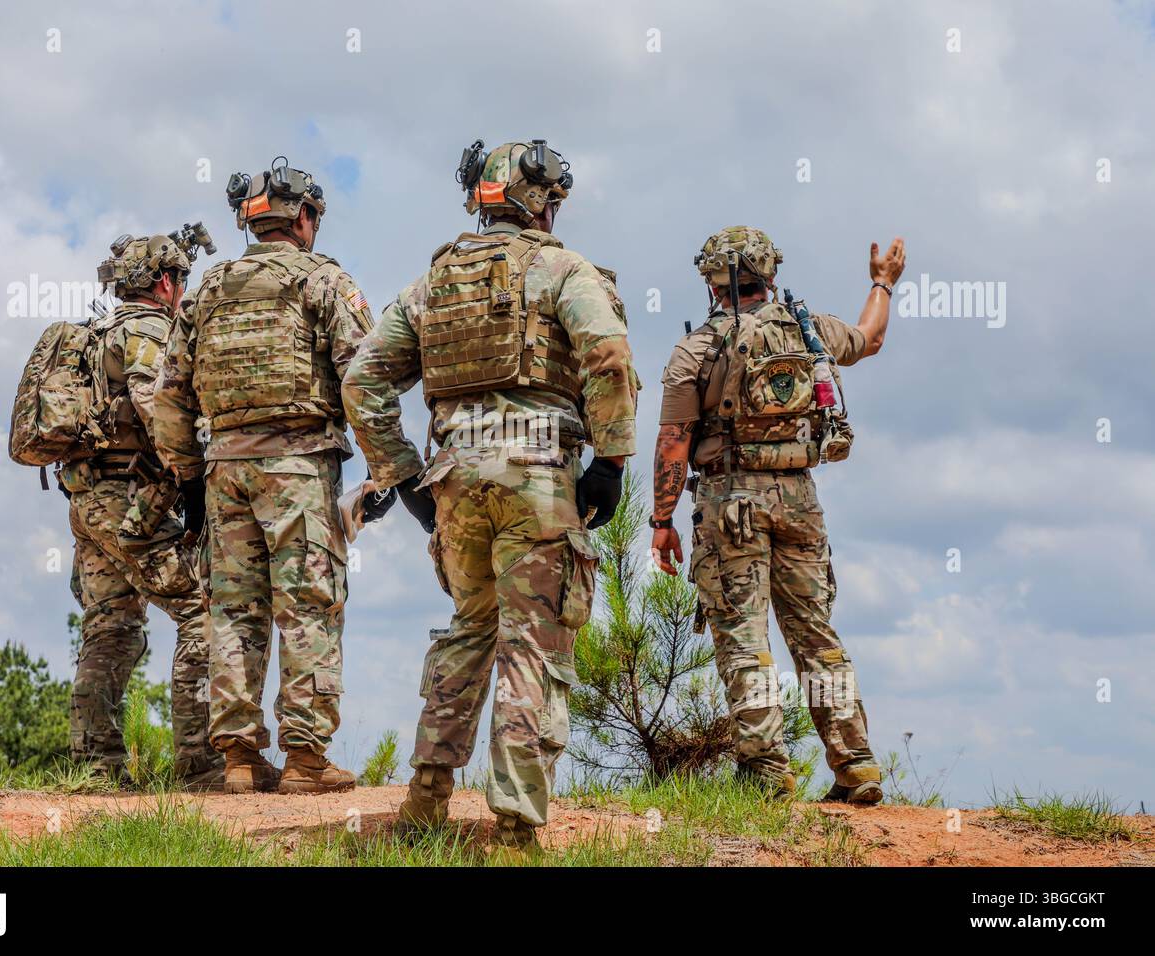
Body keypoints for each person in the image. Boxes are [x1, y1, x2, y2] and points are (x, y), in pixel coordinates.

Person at [341, 139, 638, 849]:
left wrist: (404, 477)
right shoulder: (564, 269)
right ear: (538, 201)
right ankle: (512, 829)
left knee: (470, 631)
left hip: (456, 482)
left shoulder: (430, 284)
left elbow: (362, 382)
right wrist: (613, 462)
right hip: (536, 475)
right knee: (532, 648)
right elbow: (609, 354)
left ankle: (424, 803)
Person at [651, 225, 906, 803]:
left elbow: (672, 441)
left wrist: (662, 521)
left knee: (743, 636)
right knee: (814, 633)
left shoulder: (698, 349)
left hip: (729, 501)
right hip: (800, 499)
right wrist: (881, 283)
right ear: (772, 274)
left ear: (711, 282)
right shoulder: (808, 331)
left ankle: (766, 772)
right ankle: (856, 764)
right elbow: (870, 338)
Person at [153, 160, 373, 795]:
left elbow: (170, 397)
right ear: (303, 217)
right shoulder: (324, 280)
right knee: (308, 605)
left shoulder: (207, 290)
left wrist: (192, 477)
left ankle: (240, 761)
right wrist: (383, 467)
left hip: (225, 470)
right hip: (299, 466)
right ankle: (306, 759)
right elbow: (364, 375)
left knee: (234, 610)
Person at [65, 231, 222, 791]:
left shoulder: (93, 333)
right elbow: (153, 401)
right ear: (164, 282)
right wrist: (192, 472)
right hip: (132, 501)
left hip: (88, 500)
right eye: (181, 280)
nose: (184, 290)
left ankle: (96, 767)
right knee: (200, 611)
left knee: (110, 626)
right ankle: (199, 763)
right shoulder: (149, 329)